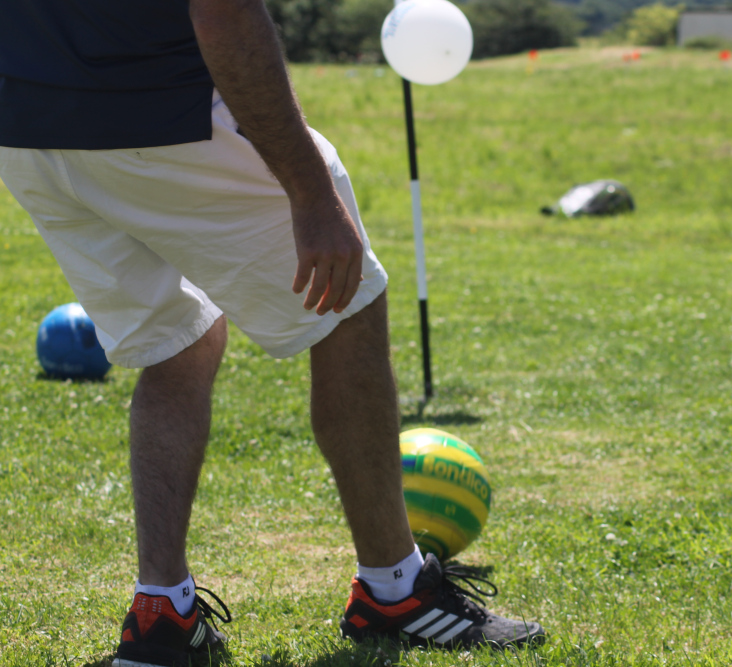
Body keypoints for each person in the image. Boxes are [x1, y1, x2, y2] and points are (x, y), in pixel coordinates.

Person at [0, 1, 545, 665]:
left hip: (29, 125)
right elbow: (225, 12)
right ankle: (394, 591)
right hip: (154, 108)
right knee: (349, 304)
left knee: (177, 342)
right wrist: (312, 195)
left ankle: (161, 614)